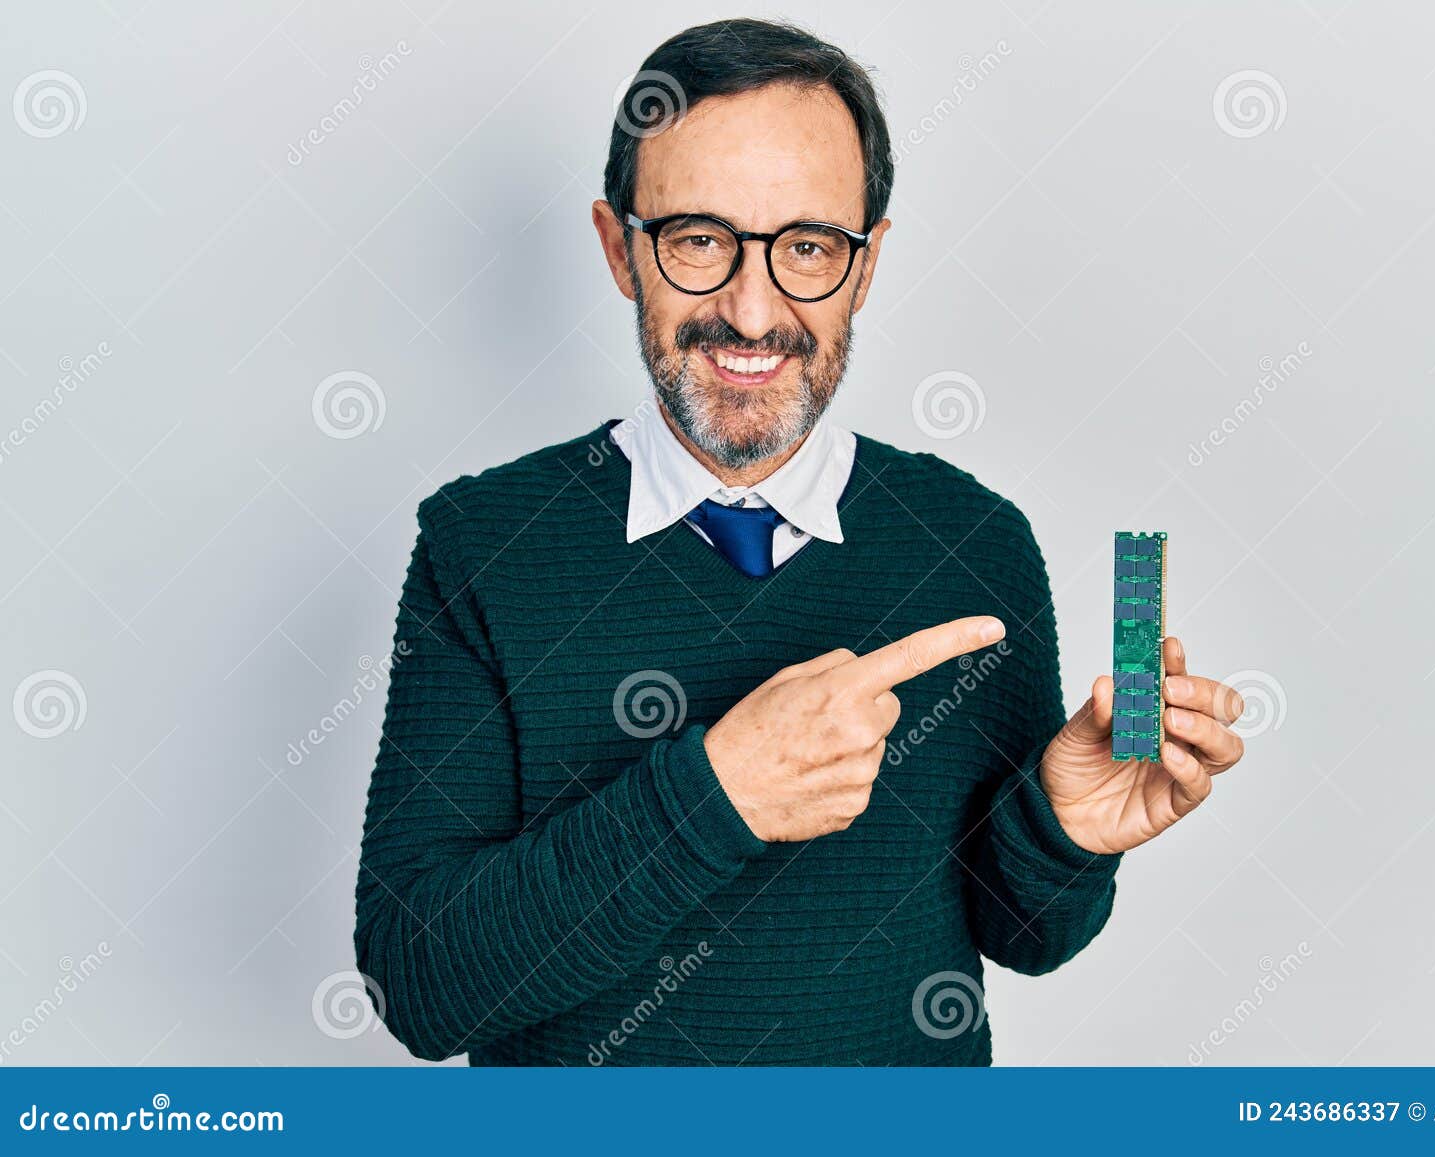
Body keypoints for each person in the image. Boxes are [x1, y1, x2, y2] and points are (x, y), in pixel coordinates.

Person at [353, 17, 1247, 1066]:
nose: (750, 308)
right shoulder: (482, 544)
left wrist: (1064, 823)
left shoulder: (971, 543)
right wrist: (715, 795)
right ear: (618, 248)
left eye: (808, 248)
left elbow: (1024, 932)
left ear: (864, 269)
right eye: (697, 238)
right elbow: (418, 985)